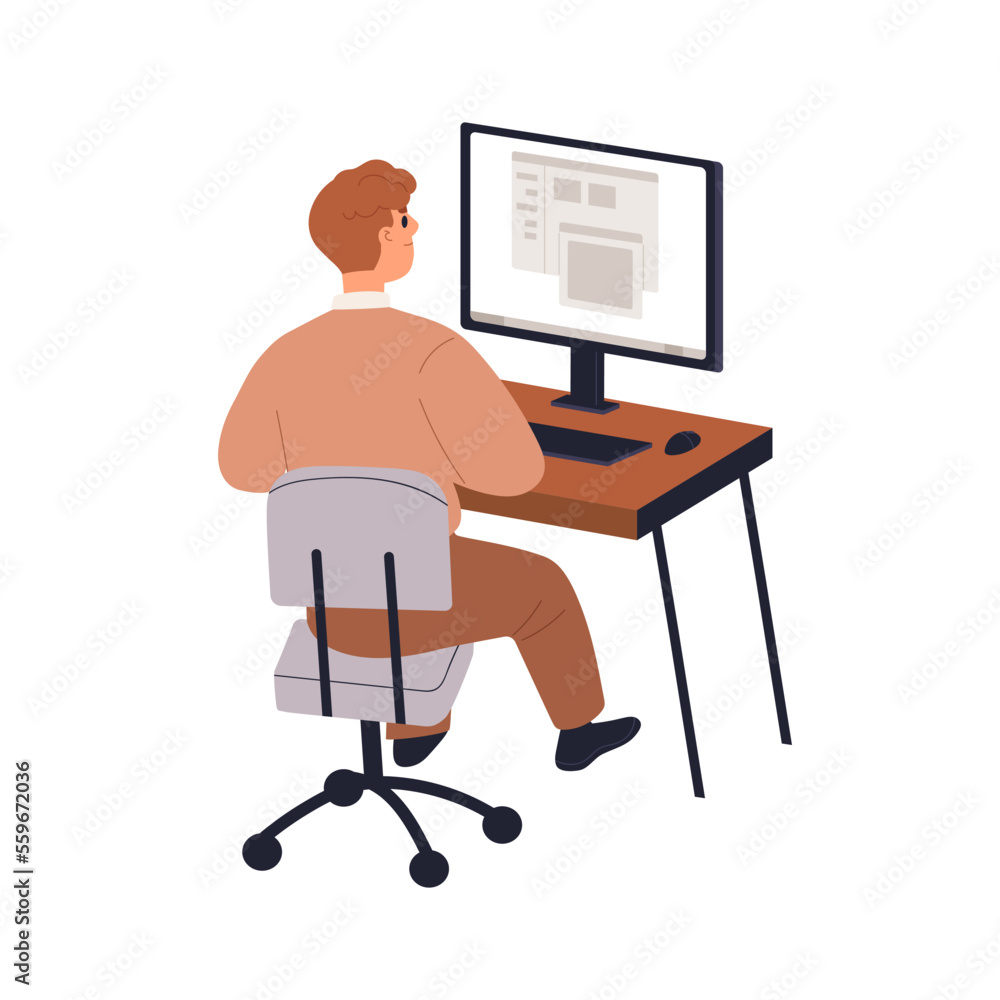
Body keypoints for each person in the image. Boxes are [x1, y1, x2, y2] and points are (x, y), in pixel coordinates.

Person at [219, 160, 640, 771]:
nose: (414, 228)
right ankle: (578, 733)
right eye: (405, 219)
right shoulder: (431, 350)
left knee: (412, 561)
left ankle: (415, 731)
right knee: (541, 586)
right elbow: (515, 474)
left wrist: (335, 469)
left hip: (330, 611)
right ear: (387, 235)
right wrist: (432, 462)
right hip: (420, 605)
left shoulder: (286, 354)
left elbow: (242, 468)